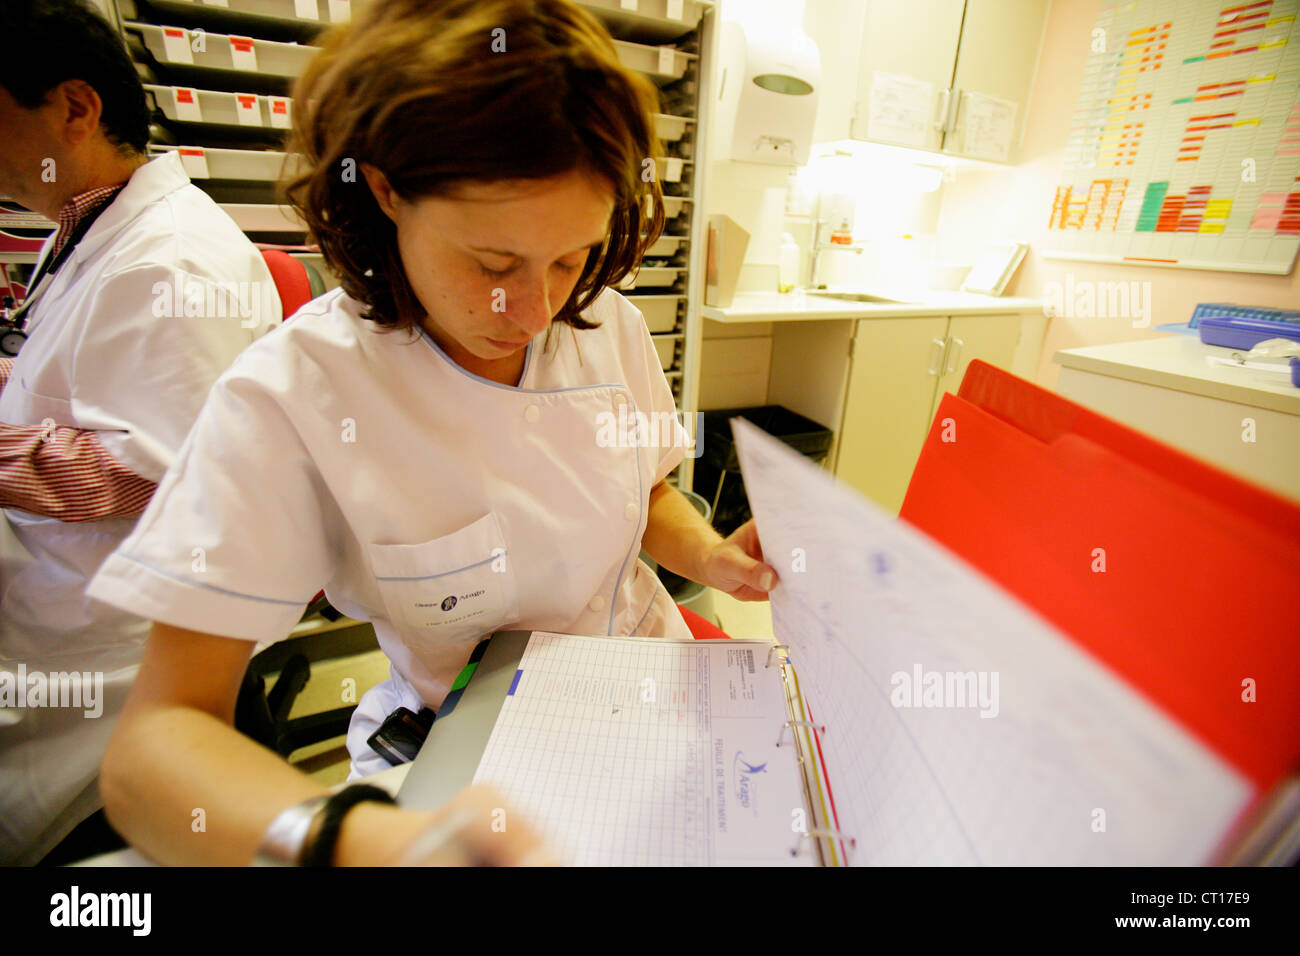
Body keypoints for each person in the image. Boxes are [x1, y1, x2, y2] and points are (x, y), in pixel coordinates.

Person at [85, 0, 777, 866]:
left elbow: (648, 491)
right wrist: (354, 841)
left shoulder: (612, 330)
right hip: (461, 754)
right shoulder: (294, 395)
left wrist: (712, 559)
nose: (535, 312)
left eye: (569, 260)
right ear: (383, 189)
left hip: (649, 704)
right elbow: (154, 748)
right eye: (493, 266)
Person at [0, 0, 280, 864]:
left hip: (119, 666)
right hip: (63, 617)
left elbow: (150, 473)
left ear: (75, 110)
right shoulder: (88, 228)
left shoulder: (173, 260)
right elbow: (79, 383)